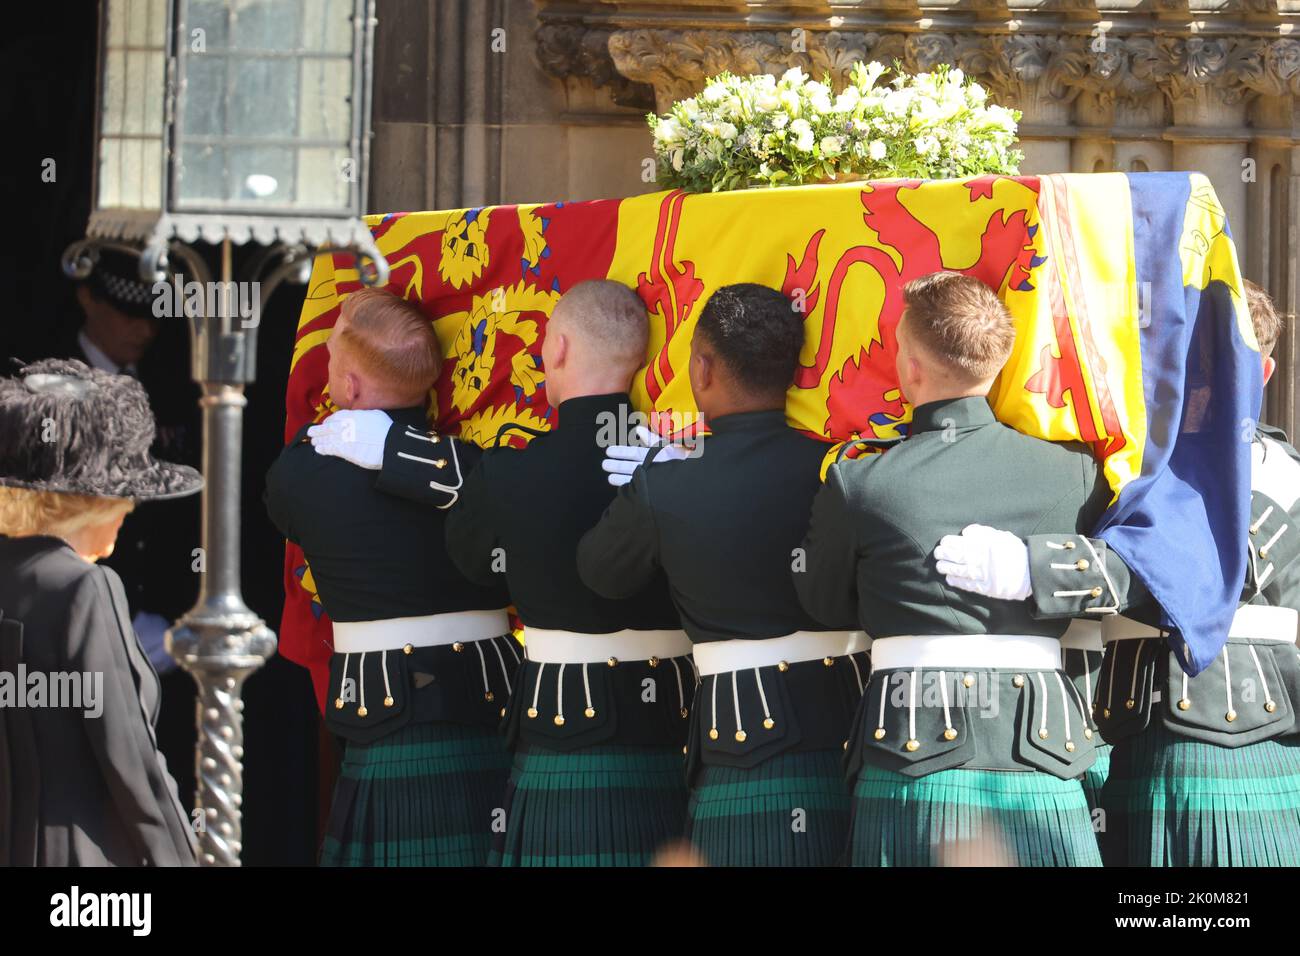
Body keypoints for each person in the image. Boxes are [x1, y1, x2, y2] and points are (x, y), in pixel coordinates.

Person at [317, 280, 693, 866]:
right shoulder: (681, 461)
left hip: (560, 731)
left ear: (560, 348)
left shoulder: (509, 473)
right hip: (676, 729)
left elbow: (477, 569)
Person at [938, 278, 1300, 866]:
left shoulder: (1272, 471)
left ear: (1258, 376)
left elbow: (1188, 565)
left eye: (1208, 374)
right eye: (1183, 368)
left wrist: (1034, 568)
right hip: (1120, 730)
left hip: (1225, 741)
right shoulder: (1137, 460)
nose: (1189, 389)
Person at [796, 271, 1107, 867]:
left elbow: (823, 603)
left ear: (909, 367)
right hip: (1043, 747)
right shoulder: (1074, 473)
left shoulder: (859, 480)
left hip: (910, 748)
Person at [578, 283, 870, 867]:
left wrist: (654, 482)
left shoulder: (665, 483)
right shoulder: (837, 467)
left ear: (702, 369)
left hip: (739, 741)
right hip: (849, 728)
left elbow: (600, 574)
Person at [265, 288, 516, 866]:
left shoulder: (301, 472)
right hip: (488, 701)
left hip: (382, 708)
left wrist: (385, 449)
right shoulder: (475, 465)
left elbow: (286, 513)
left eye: (330, 362)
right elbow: (501, 489)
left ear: (349, 388)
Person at [0, 358, 201, 866]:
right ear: (88, 501)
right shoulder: (87, 588)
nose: (129, 513)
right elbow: (135, 766)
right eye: (125, 499)